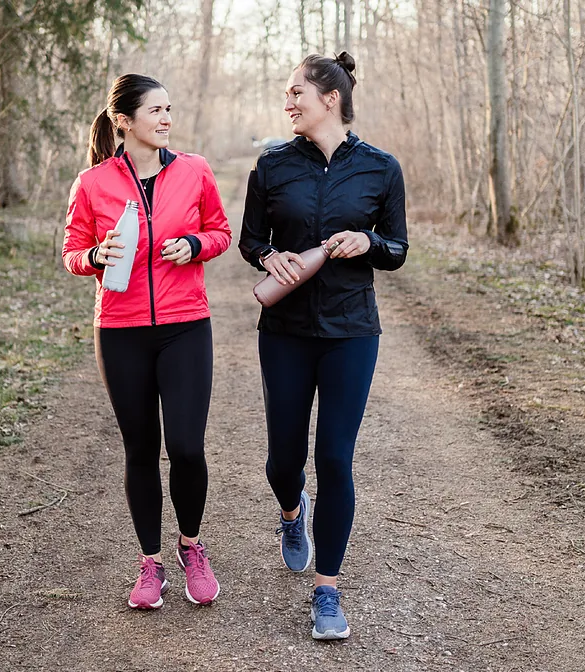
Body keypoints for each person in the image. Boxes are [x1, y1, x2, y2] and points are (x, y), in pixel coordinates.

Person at [238, 52, 408, 640]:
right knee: (283, 461)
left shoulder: (380, 169)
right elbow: (251, 240)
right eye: (286, 95)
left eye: (295, 94)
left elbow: (398, 248)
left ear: (329, 98)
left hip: (351, 332)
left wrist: (367, 240)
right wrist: (269, 256)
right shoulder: (273, 166)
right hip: (285, 333)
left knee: (335, 456)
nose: (287, 103)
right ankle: (292, 511)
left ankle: (327, 590)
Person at [62, 73, 231, 610]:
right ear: (124, 121)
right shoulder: (92, 184)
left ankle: (191, 546)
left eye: (169, 109)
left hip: (185, 326)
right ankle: (149, 564)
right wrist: (94, 258)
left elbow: (222, 232)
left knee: (185, 447)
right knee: (140, 449)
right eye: (155, 110)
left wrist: (194, 243)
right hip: (120, 331)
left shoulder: (195, 170)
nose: (166, 119)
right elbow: (72, 252)